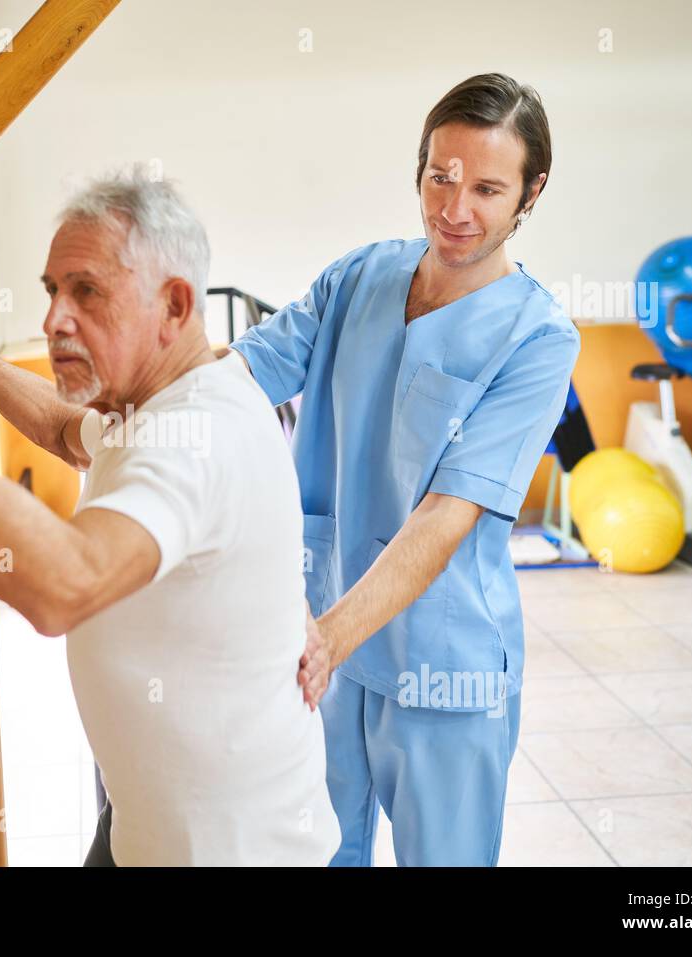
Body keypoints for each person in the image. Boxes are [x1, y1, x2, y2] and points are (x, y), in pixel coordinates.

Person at [0, 167, 340, 866]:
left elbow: (64, 583)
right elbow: (69, 431)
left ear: (176, 306)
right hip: (149, 825)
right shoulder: (174, 401)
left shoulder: (194, 438)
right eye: (53, 291)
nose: (53, 319)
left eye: (87, 291)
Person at [230, 74, 580, 866]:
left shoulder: (538, 337)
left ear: (533, 192)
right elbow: (242, 377)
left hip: (439, 662)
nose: (455, 208)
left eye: (488, 187)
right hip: (326, 634)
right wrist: (140, 399)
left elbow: (446, 515)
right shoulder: (358, 277)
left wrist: (327, 640)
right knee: (319, 852)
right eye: (440, 176)